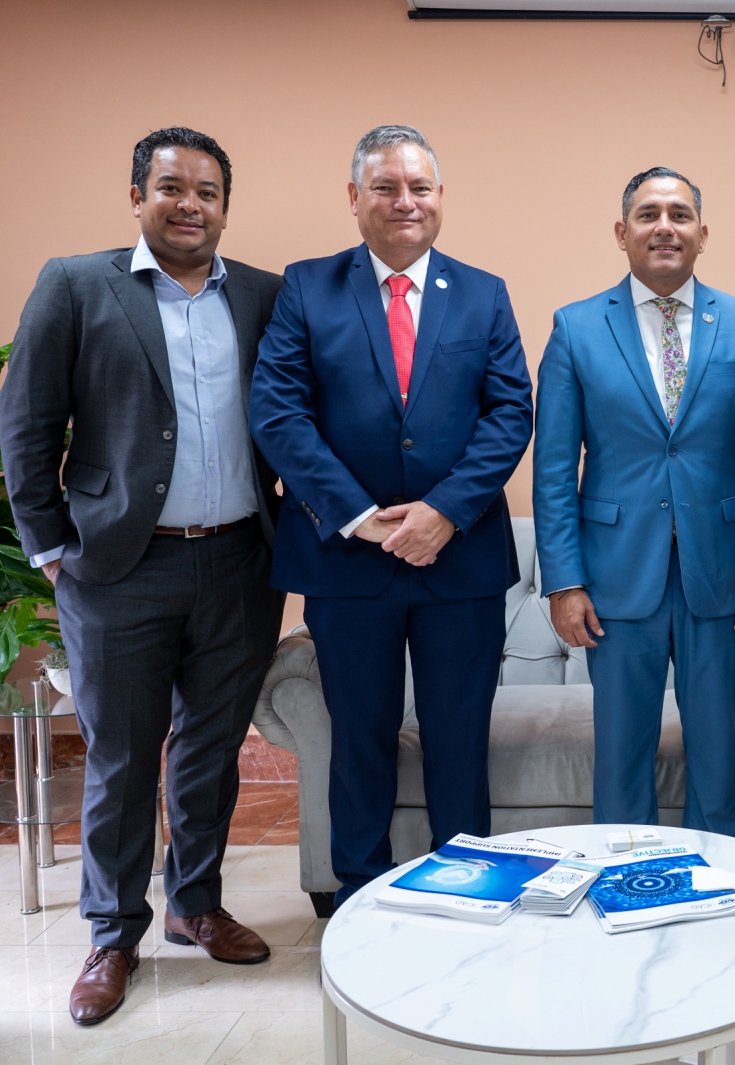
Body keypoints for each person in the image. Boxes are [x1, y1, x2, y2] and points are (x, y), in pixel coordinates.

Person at [1, 127, 285, 1025]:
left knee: (210, 744)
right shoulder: (76, 284)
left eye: (207, 191)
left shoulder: (265, 296)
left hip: (241, 556)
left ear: (225, 207)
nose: (190, 203)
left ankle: (194, 903)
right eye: (171, 187)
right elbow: (28, 422)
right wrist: (51, 548)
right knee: (121, 754)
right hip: (121, 564)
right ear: (138, 196)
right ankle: (112, 932)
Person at [250, 126, 533, 910]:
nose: (404, 201)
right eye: (385, 187)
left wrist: (443, 512)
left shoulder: (483, 291)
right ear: (355, 198)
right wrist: (360, 516)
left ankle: (471, 893)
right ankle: (361, 898)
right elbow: (278, 412)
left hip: (460, 561)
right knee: (360, 742)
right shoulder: (308, 287)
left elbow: (511, 412)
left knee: (456, 740)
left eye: (420, 187)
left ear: (440, 198)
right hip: (347, 565)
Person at [533, 168, 735, 836]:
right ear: (622, 233)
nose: (665, 227)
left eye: (680, 214)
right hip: (615, 577)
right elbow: (556, 468)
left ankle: (721, 894)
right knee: (621, 758)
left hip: (725, 576)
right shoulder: (576, 327)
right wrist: (563, 580)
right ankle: (625, 889)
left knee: (718, 759)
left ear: (703, 234)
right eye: (648, 214)